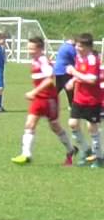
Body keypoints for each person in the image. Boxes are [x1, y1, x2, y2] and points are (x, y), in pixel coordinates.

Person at [11, 36, 76, 166]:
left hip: (49, 99)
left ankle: (71, 149)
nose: (29, 51)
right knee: (29, 124)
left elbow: (49, 79)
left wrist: (34, 92)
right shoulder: (35, 60)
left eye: (32, 48)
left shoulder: (43, 60)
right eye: (28, 48)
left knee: (55, 126)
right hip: (38, 99)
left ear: (40, 49)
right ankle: (26, 155)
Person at [65, 32, 102, 166]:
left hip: (92, 100)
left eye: (80, 46)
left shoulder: (92, 60)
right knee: (73, 123)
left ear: (88, 47)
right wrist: (72, 81)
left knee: (92, 127)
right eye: (76, 45)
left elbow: (91, 79)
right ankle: (86, 150)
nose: (77, 48)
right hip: (79, 98)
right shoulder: (79, 58)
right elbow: (81, 73)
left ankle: (99, 157)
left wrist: (74, 73)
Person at [54, 36, 77, 104]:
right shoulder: (70, 48)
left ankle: (49, 101)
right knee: (69, 88)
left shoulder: (63, 46)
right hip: (65, 70)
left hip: (58, 70)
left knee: (58, 87)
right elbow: (76, 58)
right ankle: (72, 104)